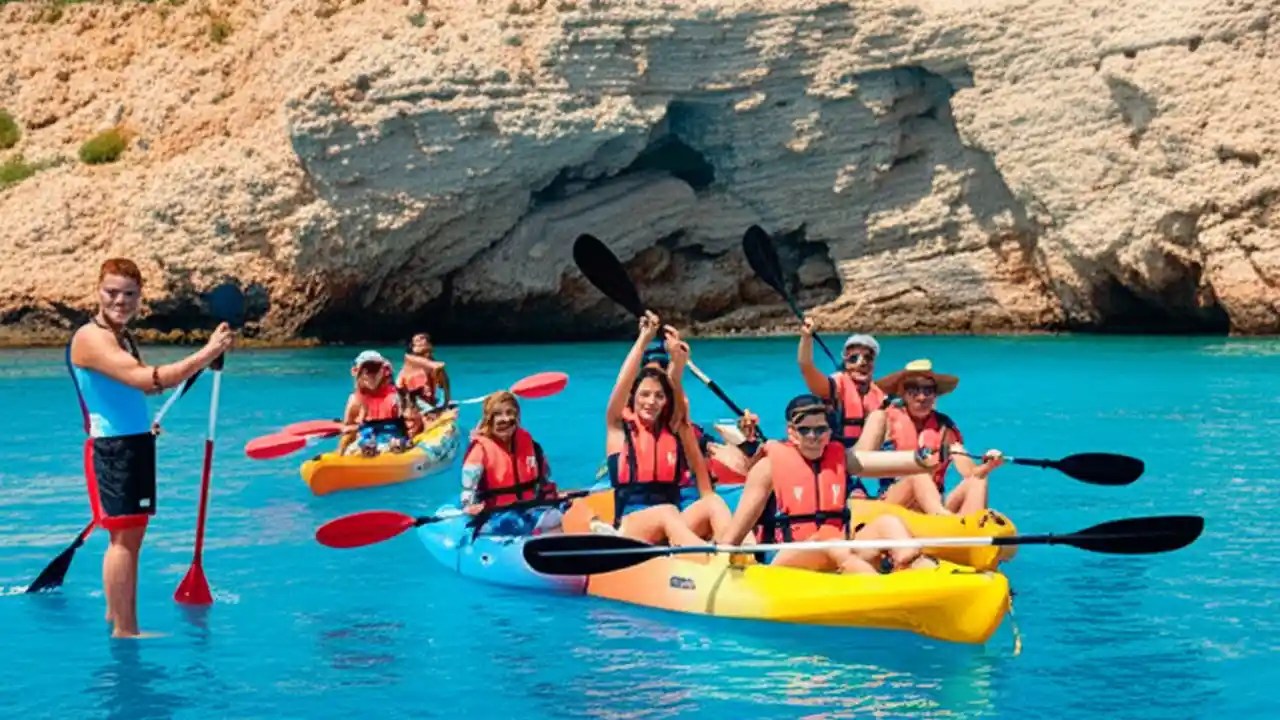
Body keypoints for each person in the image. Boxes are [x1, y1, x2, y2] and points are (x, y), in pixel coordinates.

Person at [68, 258, 235, 638]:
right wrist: (206, 354)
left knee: (132, 537)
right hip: (113, 451)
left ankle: (116, 615)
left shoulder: (121, 336)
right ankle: (126, 630)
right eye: (112, 292)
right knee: (123, 540)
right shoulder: (90, 338)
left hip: (133, 441)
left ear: (140, 297)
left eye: (129, 294)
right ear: (98, 290)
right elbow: (147, 380)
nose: (120, 301)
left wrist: (144, 426)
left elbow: (125, 392)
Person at [714, 394, 942, 574]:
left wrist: (924, 460)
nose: (814, 436)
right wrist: (721, 559)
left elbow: (884, 462)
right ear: (792, 433)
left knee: (888, 523)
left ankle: (920, 570)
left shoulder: (839, 457)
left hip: (836, 550)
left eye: (820, 429)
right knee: (829, 540)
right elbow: (736, 532)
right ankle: (881, 589)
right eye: (805, 430)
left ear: (829, 432)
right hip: (785, 560)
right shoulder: (768, 467)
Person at [596, 311, 730, 545]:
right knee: (666, 513)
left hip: (674, 522)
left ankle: (745, 556)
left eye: (658, 396)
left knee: (713, 503)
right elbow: (622, 383)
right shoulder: (619, 427)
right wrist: (644, 339)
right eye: (644, 394)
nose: (651, 401)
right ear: (633, 397)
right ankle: (712, 559)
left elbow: (674, 392)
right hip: (632, 526)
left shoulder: (672, 427)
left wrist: (677, 361)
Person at [871, 359, 1004, 515]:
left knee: (978, 481)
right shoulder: (884, 421)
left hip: (933, 505)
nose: (921, 397)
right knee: (918, 474)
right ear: (903, 394)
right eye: (913, 390)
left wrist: (988, 466)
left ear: (935, 395)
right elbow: (861, 461)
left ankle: (970, 532)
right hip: (894, 501)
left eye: (928, 391)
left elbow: (969, 471)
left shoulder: (944, 428)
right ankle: (943, 521)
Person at [461, 391, 566, 536]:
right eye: (497, 414)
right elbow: (468, 491)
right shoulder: (479, 450)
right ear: (488, 419)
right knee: (514, 523)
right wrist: (470, 507)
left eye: (510, 412)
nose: (505, 419)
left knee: (560, 515)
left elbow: (544, 481)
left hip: (530, 507)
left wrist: (554, 496)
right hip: (497, 514)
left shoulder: (531, 444)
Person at [337, 351, 410, 457]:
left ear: (383, 371)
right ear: (356, 372)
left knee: (395, 443)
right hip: (367, 438)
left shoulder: (396, 396)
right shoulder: (355, 399)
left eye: (375, 370)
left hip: (393, 437)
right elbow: (348, 432)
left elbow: (411, 423)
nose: (371, 375)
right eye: (366, 370)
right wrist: (340, 453)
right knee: (364, 444)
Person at [398, 332, 450, 409]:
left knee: (440, 372)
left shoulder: (429, 359)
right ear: (413, 347)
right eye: (419, 340)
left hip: (425, 397)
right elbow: (436, 366)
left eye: (425, 339)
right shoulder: (410, 358)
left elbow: (442, 375)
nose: (423, 340)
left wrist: (446, 401)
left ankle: (443, 402)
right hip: (409, 398)